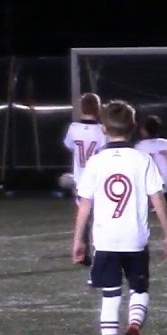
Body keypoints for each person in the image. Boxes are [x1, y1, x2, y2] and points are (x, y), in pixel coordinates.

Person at [73, 100, 167, 335]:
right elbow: (158, 200)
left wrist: (78, 241)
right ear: (133, 128)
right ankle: (133, 325)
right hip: (135, 240)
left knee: (110, 298)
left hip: (106, 242)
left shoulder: (95, 162)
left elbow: (84, 205)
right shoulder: (142, 160)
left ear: (104, 128)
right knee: (139, 291)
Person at [64, 93, 106, 265]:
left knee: (84, 218)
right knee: (98, 218)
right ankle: (98, 251)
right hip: (97, 178)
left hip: (80, 179)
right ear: (97, 108)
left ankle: (84, 250)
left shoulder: (73, 128)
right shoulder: (101, 130)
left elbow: (69, 145)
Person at [135, 114, 167, 250]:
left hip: (155, 181)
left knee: (143, 208)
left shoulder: (139, 147)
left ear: (144, 130)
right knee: (157, 208)